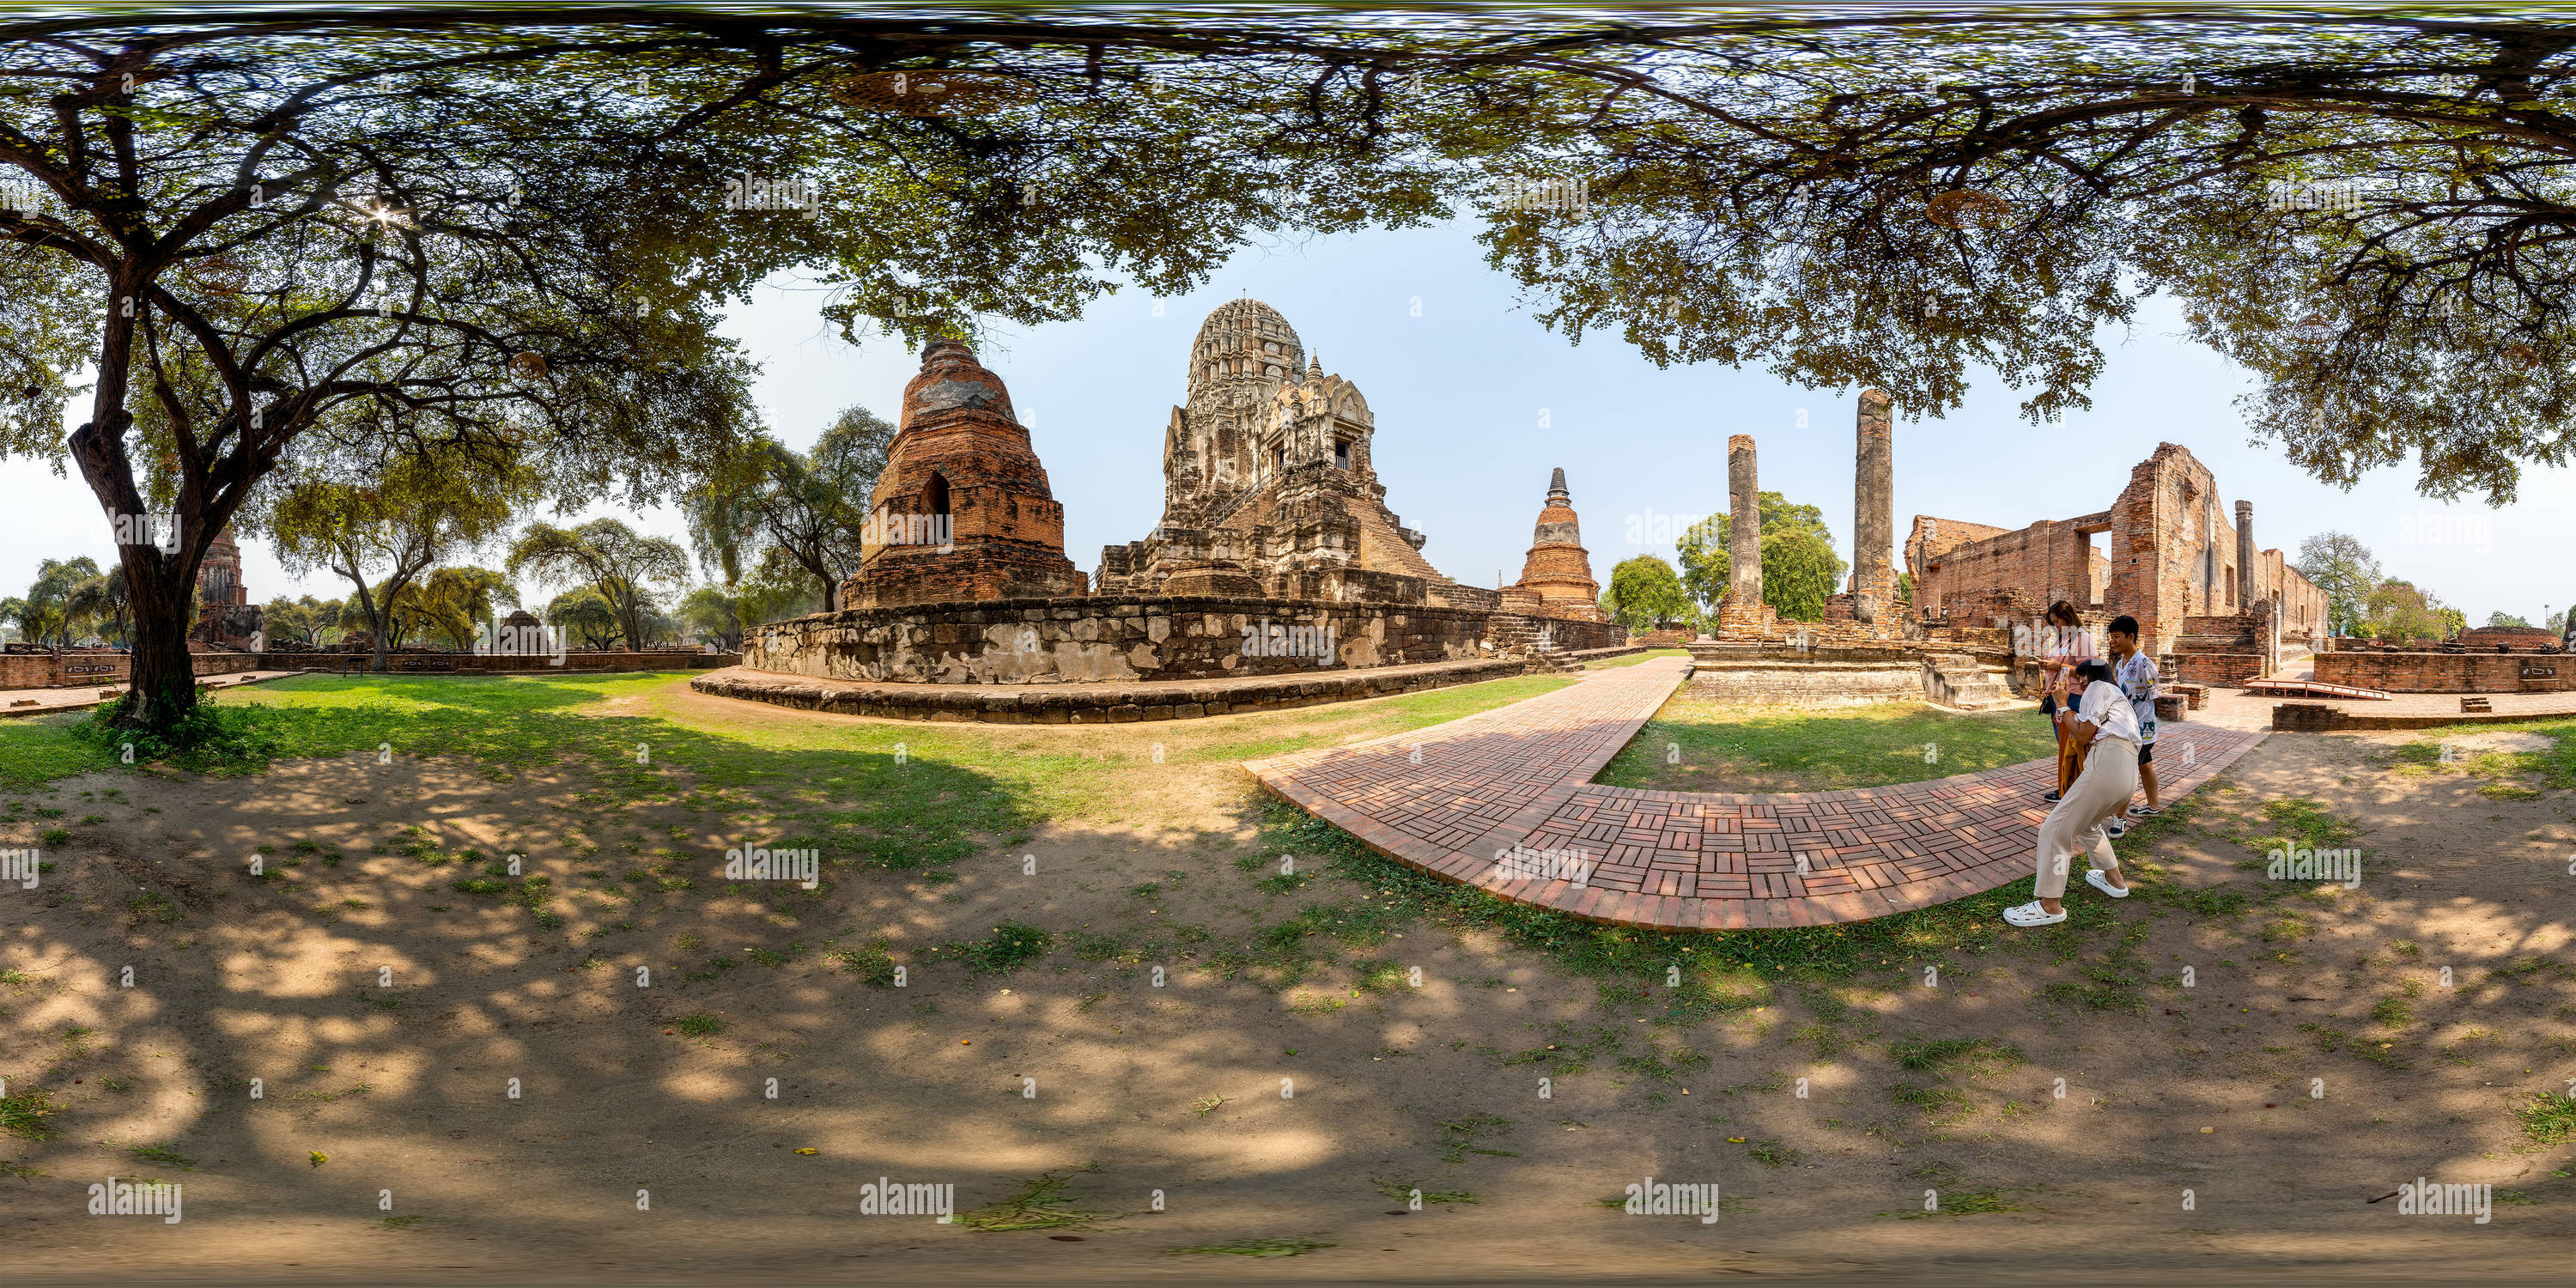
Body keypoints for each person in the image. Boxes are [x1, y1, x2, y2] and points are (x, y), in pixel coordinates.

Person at [2004, 659, 2140, 927]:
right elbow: (2081, 730)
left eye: (2080, 678)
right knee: (2088, 826)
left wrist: (2063, 702)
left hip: (2108, 762)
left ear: (2091, 677)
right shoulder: (2116, 698)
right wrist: (2063, 709)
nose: (2078, 684)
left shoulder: (2098, 687)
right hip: (2126, 773)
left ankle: (2050, 905)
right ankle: (2115, 880)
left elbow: (2082, 733)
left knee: (2054, 830)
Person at [2107, 614, 2162, 829]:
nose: (2113, 641)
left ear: (2131, 637)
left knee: (2127, 773)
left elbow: (2154, 696)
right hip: (2127, 726)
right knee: (2145, 766)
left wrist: (2144, 722)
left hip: (2142, 730)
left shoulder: (2145, 664)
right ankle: (2153, 806)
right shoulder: (2121, 663)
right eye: (2111, 637)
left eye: (2117, 637)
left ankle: (2119, 818)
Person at [2036, 602, 2094, 803]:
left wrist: (2058, 665)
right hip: (2057, 697)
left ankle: (2076, 790)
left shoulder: (2083, 638)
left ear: (2068, 616)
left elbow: (2090, 671)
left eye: (2058, 621)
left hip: (2075, 697)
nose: (2056, 625)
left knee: (2075, 746)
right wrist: (2048, 664)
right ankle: (2066, 787)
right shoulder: (2062, 639)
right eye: (2053, 623)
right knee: (2063, 746)